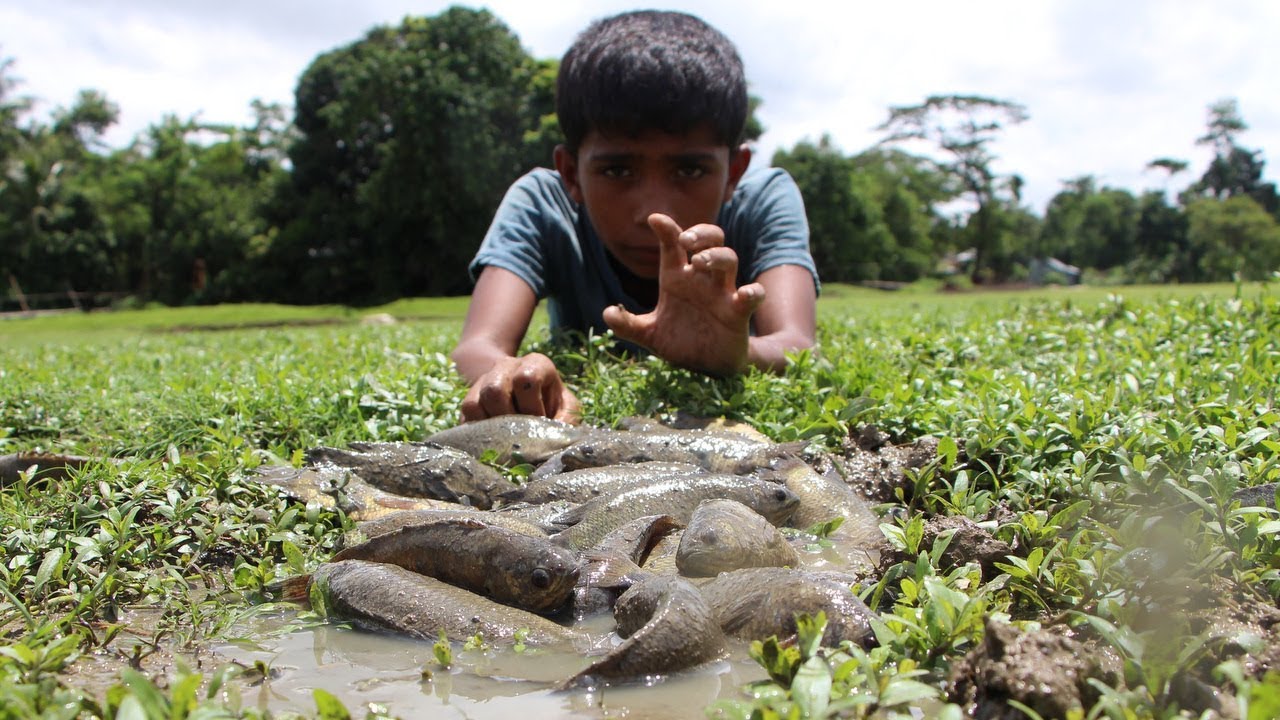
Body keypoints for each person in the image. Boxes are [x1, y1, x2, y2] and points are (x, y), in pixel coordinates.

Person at [452, 10, 818, 424]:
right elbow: (477, 346)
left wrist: (739, 355)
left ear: (734, 171)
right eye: (617, 171)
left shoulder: (764, 199)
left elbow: (798, 344)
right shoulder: (542, 204)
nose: (654, 214)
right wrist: (510, 376)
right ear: (571, 173)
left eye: (690, 170)